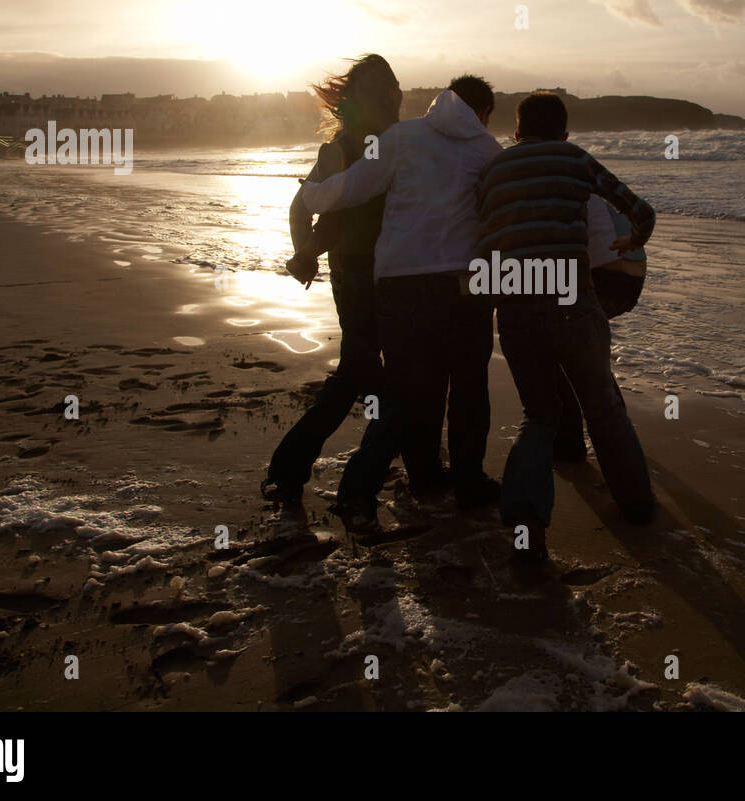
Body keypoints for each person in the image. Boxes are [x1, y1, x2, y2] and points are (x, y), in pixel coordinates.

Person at [295, 75, 503, 532]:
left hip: (401, 282)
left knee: (414, 390)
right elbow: (501, 214)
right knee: (469, 386)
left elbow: (351, 188)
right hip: (465, 283)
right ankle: (469, 483)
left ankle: (424, 478)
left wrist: (309, 194)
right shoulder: (489, 150)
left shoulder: (401, 137)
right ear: (483, 112)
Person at [476, 91, 657, 564]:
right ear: (563, 132)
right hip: (573, 300)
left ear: (515, 132)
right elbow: (642, 212)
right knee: (604, 409)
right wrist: (628, 240)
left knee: (539, 416)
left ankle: (525, 524)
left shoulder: (493, 169)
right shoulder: (574, 158)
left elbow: (481, 229)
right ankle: (638, 508)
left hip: (514, 306)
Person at [261, 54, 400, 503]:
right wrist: (306, 254)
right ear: (356, 99)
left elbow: (303, 207)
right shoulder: (345, 147)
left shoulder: (387, 141)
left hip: (386, 272)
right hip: (360, 272)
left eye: (393, 90)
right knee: (366, 373)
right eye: (381, 92)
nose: (391, 98)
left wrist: (305, 253)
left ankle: (401, 463)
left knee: (375, 373)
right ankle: (296, 470)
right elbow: (325, 213)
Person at [554, 196, 649, 461]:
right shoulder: (593, 193)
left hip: (608, 280)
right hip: (631, 279)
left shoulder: (562, 194)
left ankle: (571, 442)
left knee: (560, 347)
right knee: (579, 347)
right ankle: (617, 428)